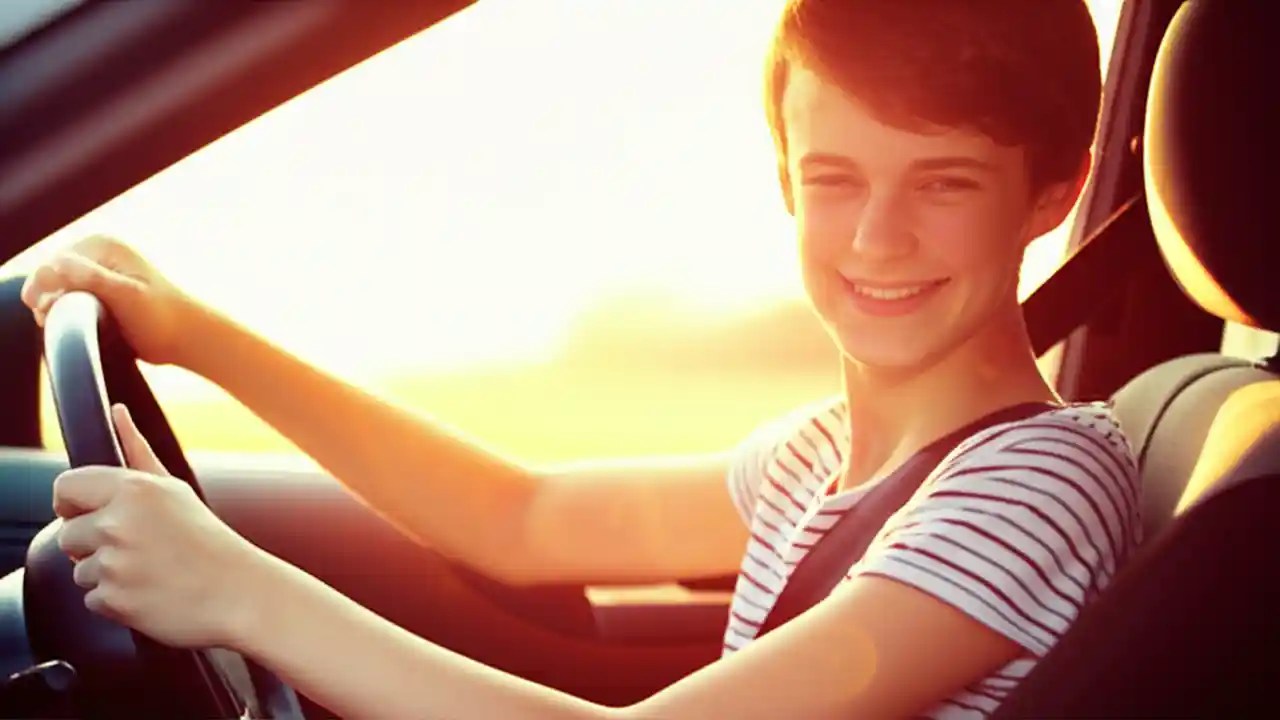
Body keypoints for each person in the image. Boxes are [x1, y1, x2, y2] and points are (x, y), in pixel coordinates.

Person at [20, 0, 1140, 717]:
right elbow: (525, 520)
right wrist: (196, 334)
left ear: (1049, 193)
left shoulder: (1034, 486)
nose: (874, 239)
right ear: (786, 182)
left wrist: (238, 592)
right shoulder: (818, 455)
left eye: (942, 182)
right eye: (835, 179)